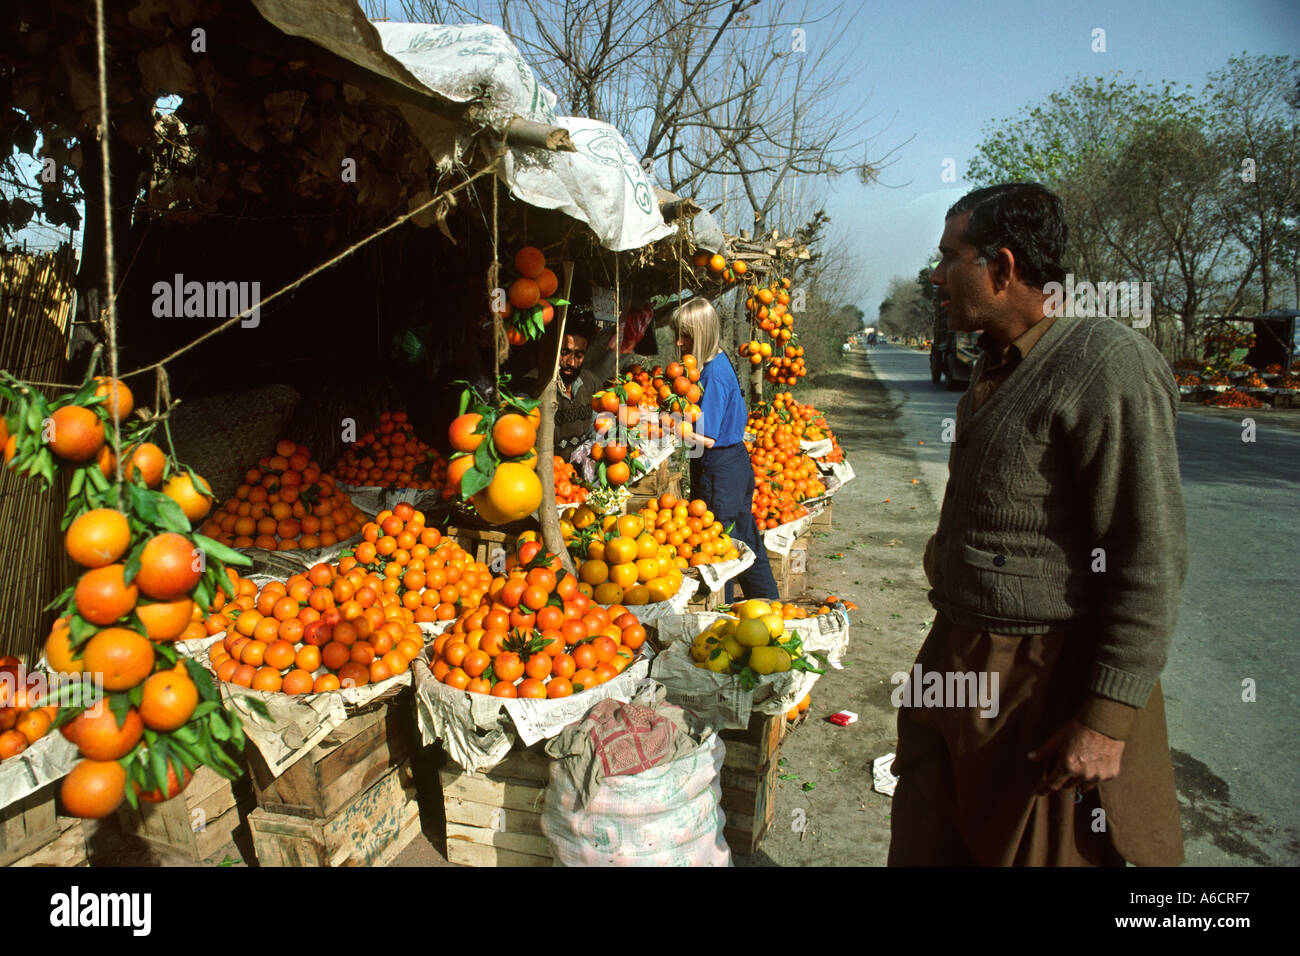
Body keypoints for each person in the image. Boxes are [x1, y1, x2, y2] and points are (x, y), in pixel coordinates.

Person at [887, 183, 1187, 867]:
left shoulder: (1106, 365)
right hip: (958, 655)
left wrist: (1106, 721)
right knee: (933, 838)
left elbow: (1151, 556)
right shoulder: (994, 362)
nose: (937, 277)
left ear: (1003, 266)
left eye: (950, 258)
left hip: (1041, 681)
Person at [671, 298, 780, 602]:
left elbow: (706, 438)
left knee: (720, 545)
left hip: (721, 469)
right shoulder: (710, 365)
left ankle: (725, 611)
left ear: (702, 333)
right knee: (742, 538)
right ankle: (768, 603)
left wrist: (666, 424)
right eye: (677, 335)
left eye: (685, 335)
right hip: (725, 466)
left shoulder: (714, 374)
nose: (679, 342)